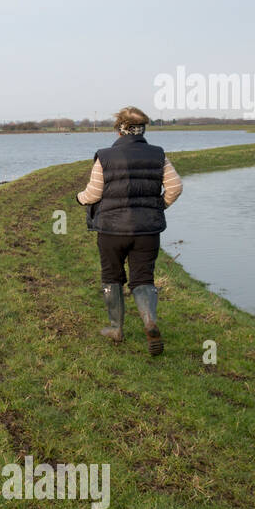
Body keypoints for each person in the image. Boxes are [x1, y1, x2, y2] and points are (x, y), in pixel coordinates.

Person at [75, 107, 183, 355]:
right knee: (143, 278)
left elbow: (93, 194)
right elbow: (175, 187)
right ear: (142, 128)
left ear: (120, 129)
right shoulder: (158, 155)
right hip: (147, 231)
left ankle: (116, 328)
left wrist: (79, 199)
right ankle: (149, 321)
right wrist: (157, 206)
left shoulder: (105, 156)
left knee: (112, 277)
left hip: (112, 231)